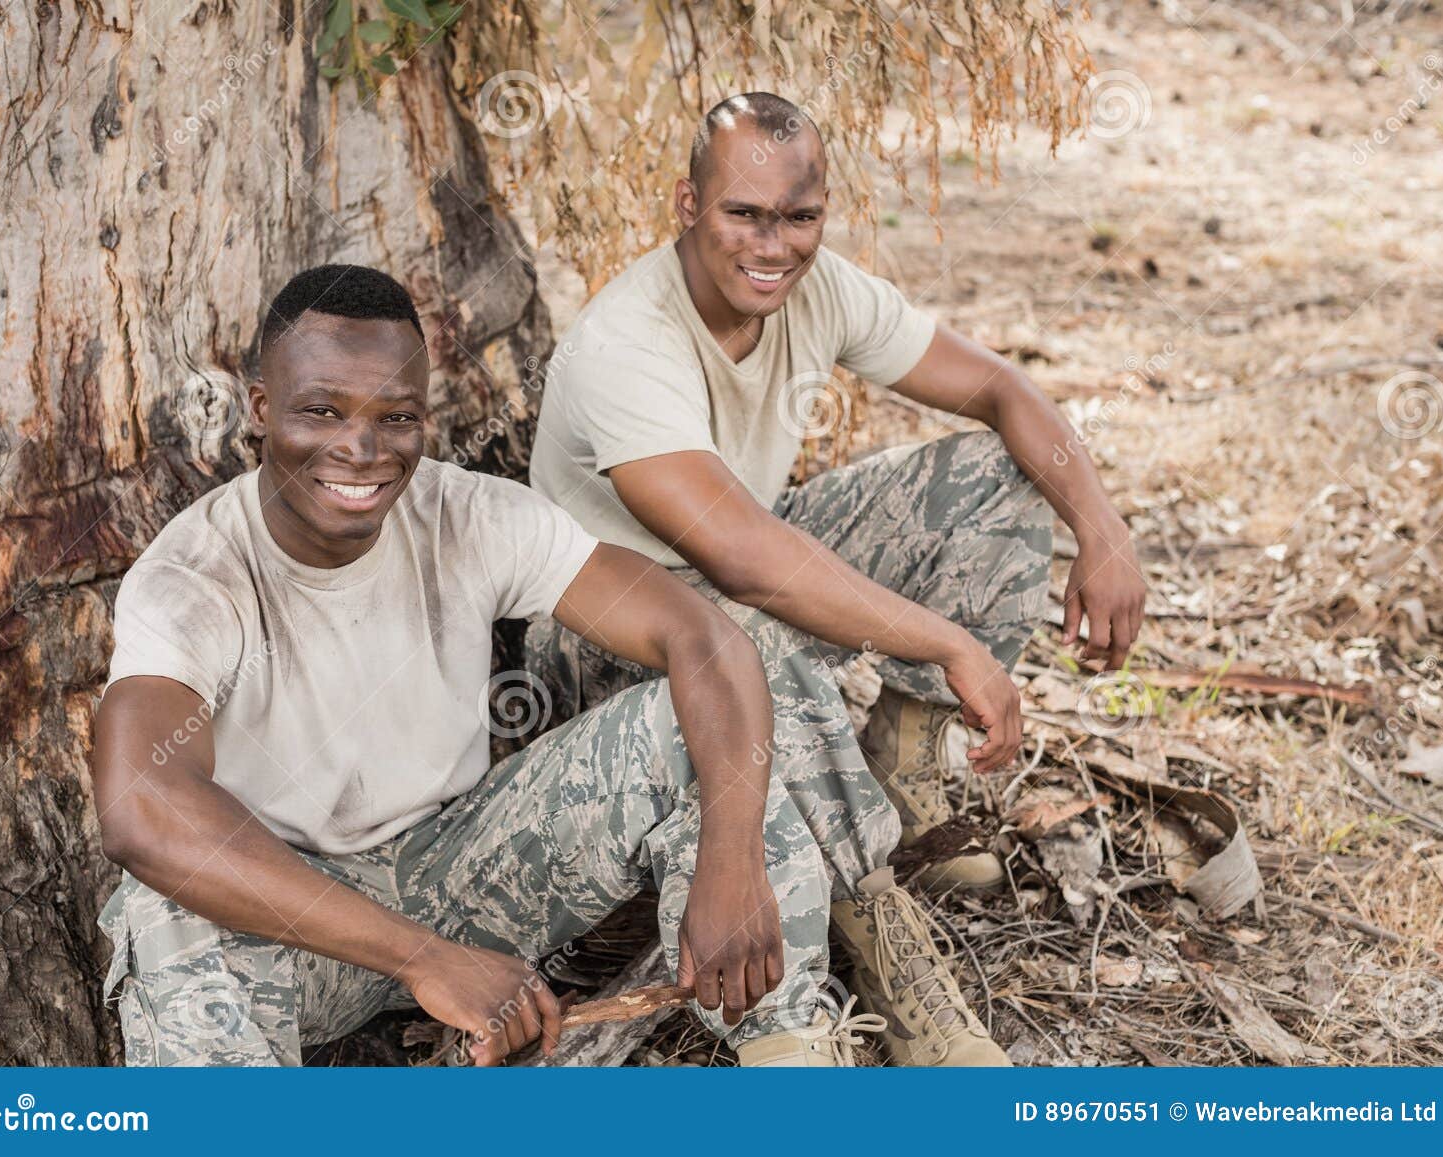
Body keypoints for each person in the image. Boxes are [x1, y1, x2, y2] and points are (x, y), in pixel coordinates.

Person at [90, 263, 980, 1069]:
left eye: (394, 416)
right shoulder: (194, 573)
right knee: (160, 910)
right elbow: (140, 808)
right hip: (296, 919)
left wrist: (732, 852)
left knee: (695, 720)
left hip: (466, 866)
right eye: (322, 410)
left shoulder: (468, 515)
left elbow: (702, 639)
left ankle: (793, 1051)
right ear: (258, 409)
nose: (361, 451)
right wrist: (423, 959)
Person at [527, 93, 1147, 1065]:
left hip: (736, 582)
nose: (772, 245)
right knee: (750, 637)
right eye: (744, 213)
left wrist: (1103, 530)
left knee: (994, 482)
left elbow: (1000, 388)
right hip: (602, 635)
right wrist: (946, 641)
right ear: (687, 205)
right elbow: (734, 554)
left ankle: (899, 784)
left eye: (798, 217)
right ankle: (877, 935)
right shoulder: (626, 341)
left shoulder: (819, 292)